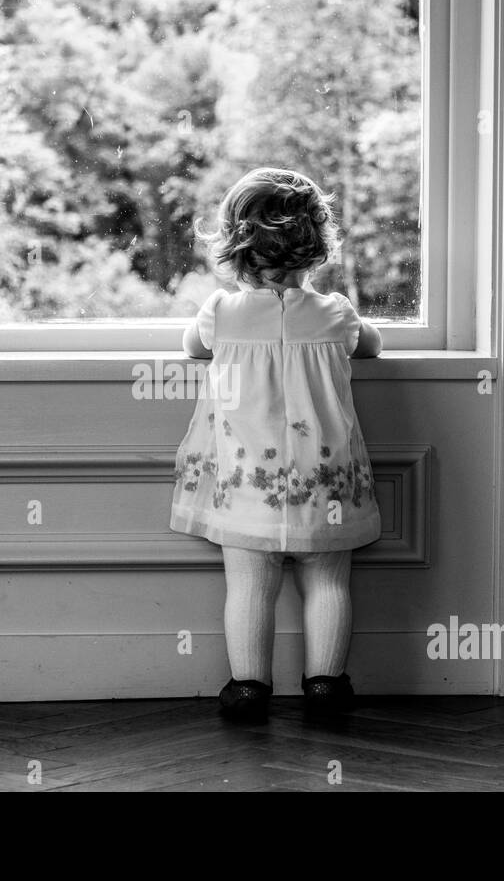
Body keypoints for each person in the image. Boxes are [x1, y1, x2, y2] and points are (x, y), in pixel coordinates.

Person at [170, 167, 382, 720]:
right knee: (330, 581)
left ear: (235, 247)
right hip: (325, 479)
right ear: (317, 246)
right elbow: (372, 347)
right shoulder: (335, 313)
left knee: (248, 587)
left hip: (248, 483)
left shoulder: (221, 312)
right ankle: (326, 686)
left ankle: (247, 688)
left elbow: (192, 347)